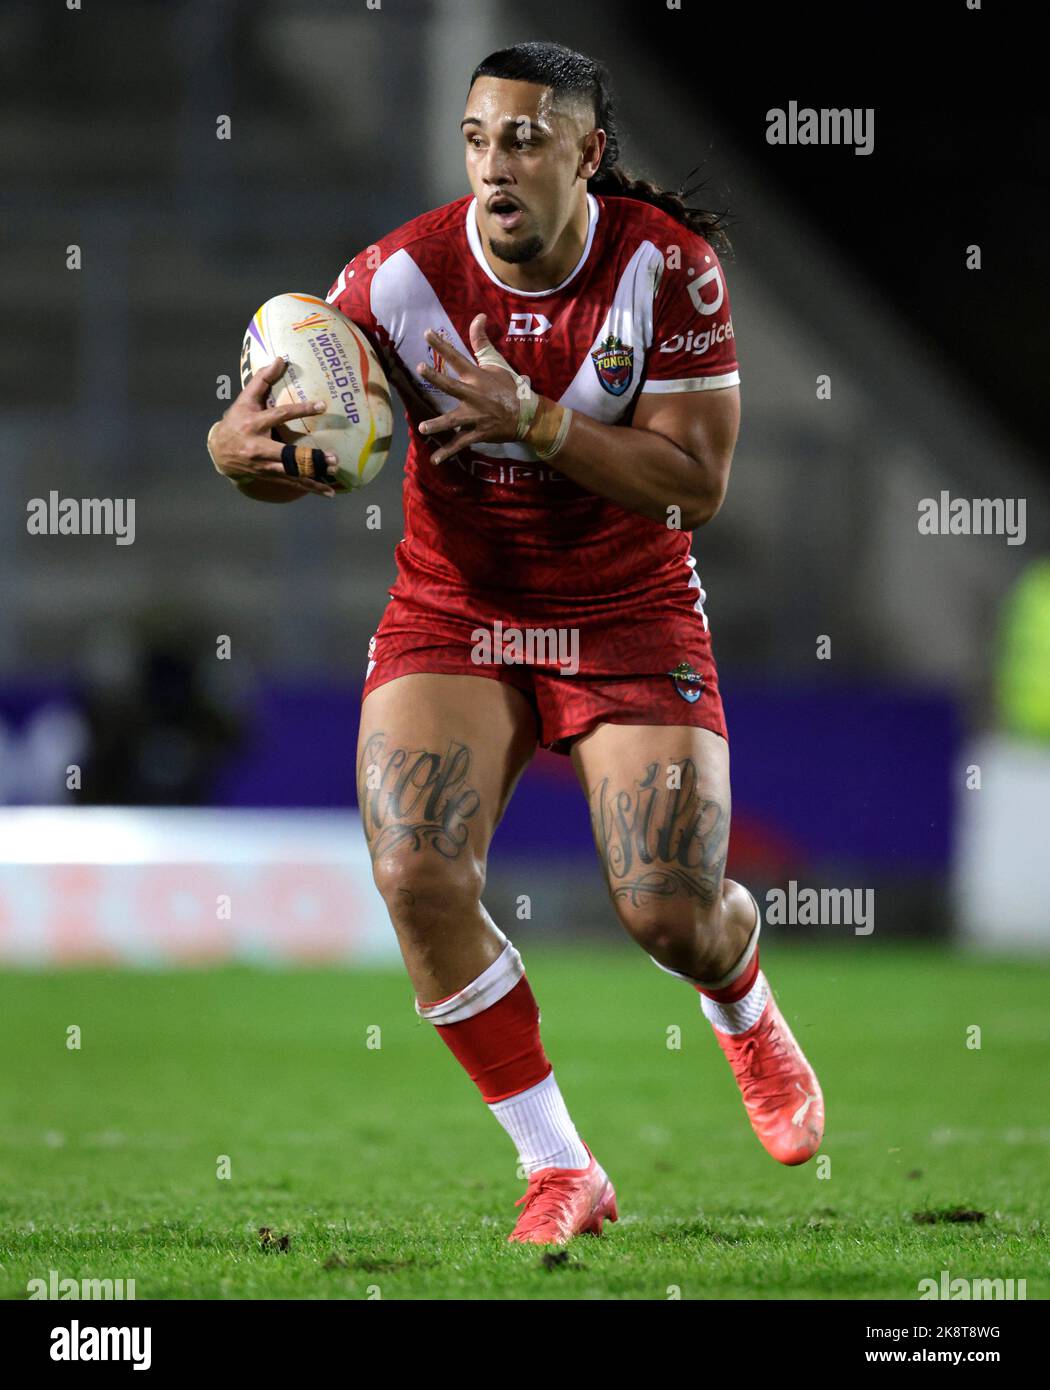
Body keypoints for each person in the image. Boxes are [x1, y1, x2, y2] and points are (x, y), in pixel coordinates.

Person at [207, 41, 824, 1246]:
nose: (497, 165)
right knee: (415, 876)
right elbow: (312, 448)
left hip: (627, 610)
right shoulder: (394, 280)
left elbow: (693, 487)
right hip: (456, 608)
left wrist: (539, 421)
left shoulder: (667, 271)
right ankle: (562, 1170)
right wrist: (239, 457)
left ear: (588, 153)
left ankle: (742, 1000)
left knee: (667, 910)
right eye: (480, 138)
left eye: (528, 140)